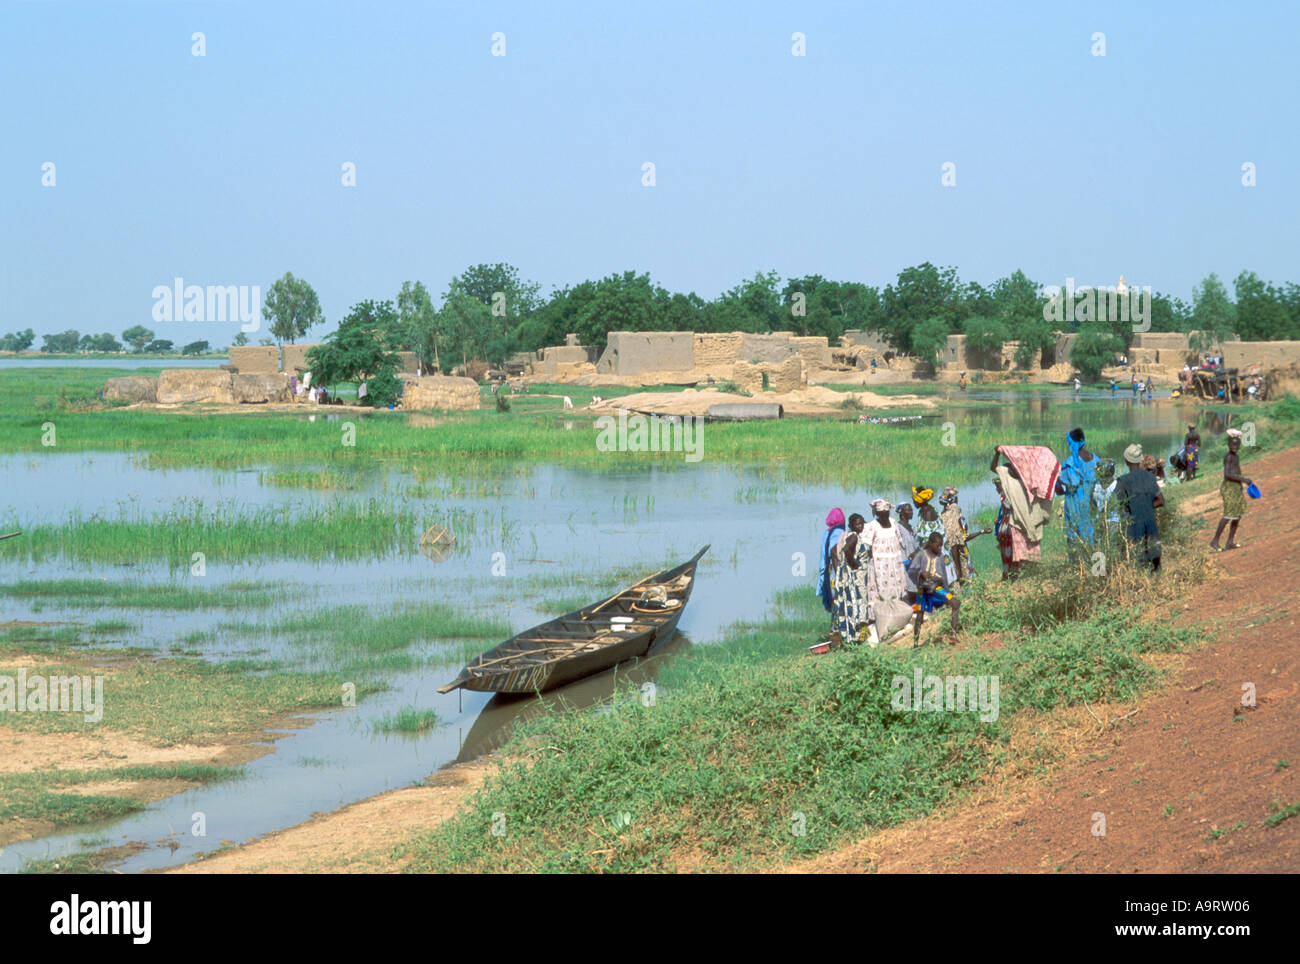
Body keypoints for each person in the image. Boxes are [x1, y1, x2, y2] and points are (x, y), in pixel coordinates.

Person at [990, 445, 1060, 579]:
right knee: (1012, 552)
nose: (1013, 468)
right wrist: (997, 454)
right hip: (1013, 522)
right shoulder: (1007, 477)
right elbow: (993, 468)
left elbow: (1044, 476)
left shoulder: (1029, 479)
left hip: (1026, 520)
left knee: (1024, 550)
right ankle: (1010, 575)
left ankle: (1024, 575)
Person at [860, 499, 911, 642]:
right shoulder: (872, 526)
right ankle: (873, 631)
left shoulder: (893, 523)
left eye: (886, 512)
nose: (884, 515)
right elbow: (866, 548)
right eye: (881, 513)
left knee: (895, 593)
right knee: (879, 596)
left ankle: (896, 622)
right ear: (876, 513)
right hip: (879, 568)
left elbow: (898, 542)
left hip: (894, 565)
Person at [1114, 443, 1164, 570]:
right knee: (1154, 561)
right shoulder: (1150, 477)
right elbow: (1161, 501)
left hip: (1134, 528)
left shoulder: (1123, 481)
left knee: (1137, 562)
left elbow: (1117, 505)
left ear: (1126, 461)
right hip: (1151, 524)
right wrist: (1146, 506)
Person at [909, 532, 961, 641]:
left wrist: (947, 590)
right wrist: (921, 573)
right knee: (919, 616)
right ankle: (915, 643)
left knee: (955, 603)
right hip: (923, 589)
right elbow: (911, 570)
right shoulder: (921, 555)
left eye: (941, 545)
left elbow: (944, 576)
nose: (940, 548)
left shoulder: (940, 556)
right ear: (930, 543)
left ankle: (953, 633)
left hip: (936, 588)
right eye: (938, 545)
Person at [1210, 429, 1252, 551]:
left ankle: (1229, 542)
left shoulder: (1236, 456)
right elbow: (1227, 474)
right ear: (1229, 445)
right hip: (1229, 487)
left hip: (1236, 487)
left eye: (1237, 444)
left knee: (1237, 515)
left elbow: (1235, 472)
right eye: (1233, 444)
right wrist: (1244, 479)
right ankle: (1215, 541)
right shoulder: (1228, 457)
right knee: (1228, 515)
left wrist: (1241, 481)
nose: (1235, 446)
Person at [829, 513, 869, 645]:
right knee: (859, 605)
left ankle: (849, 637)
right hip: (856, 579)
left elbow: (834, 551)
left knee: (849, 606)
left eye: (862, 523)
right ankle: (857, 637)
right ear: (851, 526)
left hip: (849, 577)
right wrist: (854, 564)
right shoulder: (854, 537)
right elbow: (846, 549)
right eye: (857, 524)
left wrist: (838, 569)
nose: (860, 526)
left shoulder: (845, 536)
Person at [1058, 427, 1098, 553]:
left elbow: (1073, 482)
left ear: (1072, 443)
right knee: (1090, 531)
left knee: (1074, 536)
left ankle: (1077, 566)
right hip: (1091, 501)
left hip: (1075, 502)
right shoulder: (1095, 458)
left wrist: (1057, 477)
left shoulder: (1071, 463)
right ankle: (1092, 563)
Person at [938, 486, 989, 582]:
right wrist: (958, 569)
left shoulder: (942, 515)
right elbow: (955, 543)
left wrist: (981, 531)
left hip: (948, 559)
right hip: (958, 560)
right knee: (964, 584)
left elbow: (961, 538)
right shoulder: (954, 513)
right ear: (954, 500)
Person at [911, 487, 956, 586]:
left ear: (919, 500)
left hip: (937, 550)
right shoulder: (924, 511)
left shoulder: (928, 513)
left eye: (914, 499)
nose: (913, 502)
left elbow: (929, 540)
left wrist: (915, 553)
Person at [817, 508, 845, 617]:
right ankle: (838, 627)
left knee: (834, 597)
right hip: (835, 567)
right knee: (839, 596)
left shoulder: (827, 532)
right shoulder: (839, 532)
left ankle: (834, 628)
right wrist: (839, 572)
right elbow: (834, 551)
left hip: (827, 568)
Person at [1092, 457, 1119, 542]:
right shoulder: (1117, 485)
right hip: (1113, 522)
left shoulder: (1095, 486)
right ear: (1112, 471)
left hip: (1098, 521)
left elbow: (1093, 506)